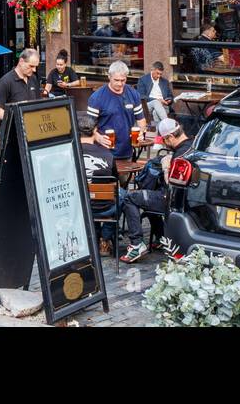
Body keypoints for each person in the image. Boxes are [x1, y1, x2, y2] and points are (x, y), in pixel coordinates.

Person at [121, 118, 190, 263]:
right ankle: (161, 238)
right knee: (149, 193)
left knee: (130, 197)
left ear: (170, 137)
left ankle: (136, 244)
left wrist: (166, 166)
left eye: (165, 140)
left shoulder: (179, 155)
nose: (165, 144)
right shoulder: (193, 145)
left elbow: (171, 183)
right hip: (187, 200)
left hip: (172, 200)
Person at [77, 112, 118, 255]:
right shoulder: (107, 155)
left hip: (79, 207)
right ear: (95, 131)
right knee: (123, 197)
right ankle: (105, 239)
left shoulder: (69, 153)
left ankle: (93, 238)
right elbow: (114, 180)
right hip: (104, 207)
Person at [87, 60, 144, 162]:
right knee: (108, 178)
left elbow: (141, 120)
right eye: (116, 80)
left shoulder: (133, 94)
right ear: (109, 77)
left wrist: (141, 133)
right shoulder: (97, 97)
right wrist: (98, 137)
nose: (120, 83)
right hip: (103, 152)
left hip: (126, 150)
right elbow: (88, 126)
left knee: (125, 177)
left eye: (123, 80)